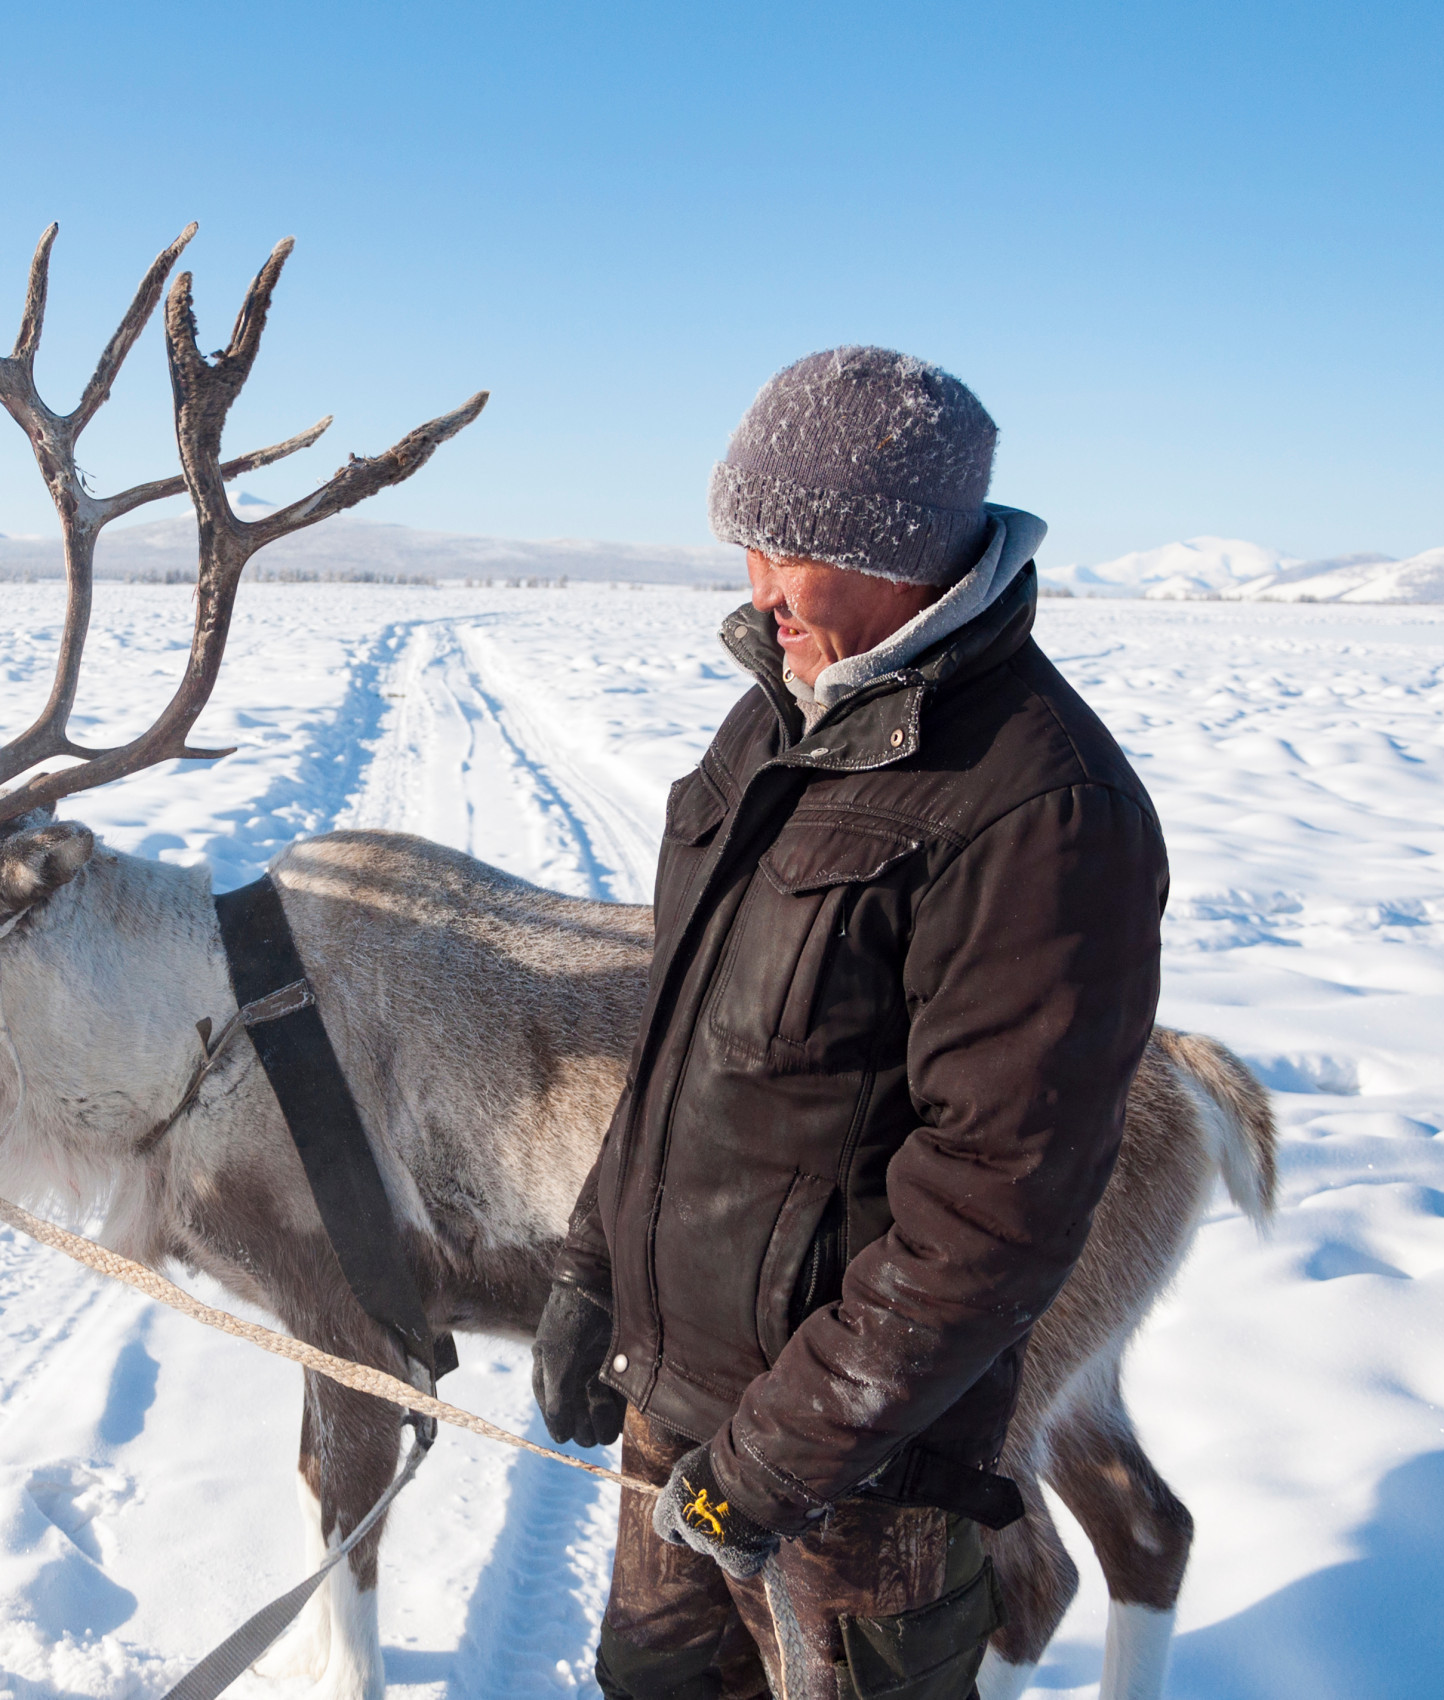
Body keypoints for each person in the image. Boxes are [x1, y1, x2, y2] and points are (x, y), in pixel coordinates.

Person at [534, 346, 1169, 1700]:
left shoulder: (1044, 807)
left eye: (791, 551)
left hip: (856, 1480)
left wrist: (776, 1462)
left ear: (902, 553)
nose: (758, 587)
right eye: (748, 544)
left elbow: (997, 1208)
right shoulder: (769, 725)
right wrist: (594, 1276)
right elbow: (678, 1061)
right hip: (680, 1408)